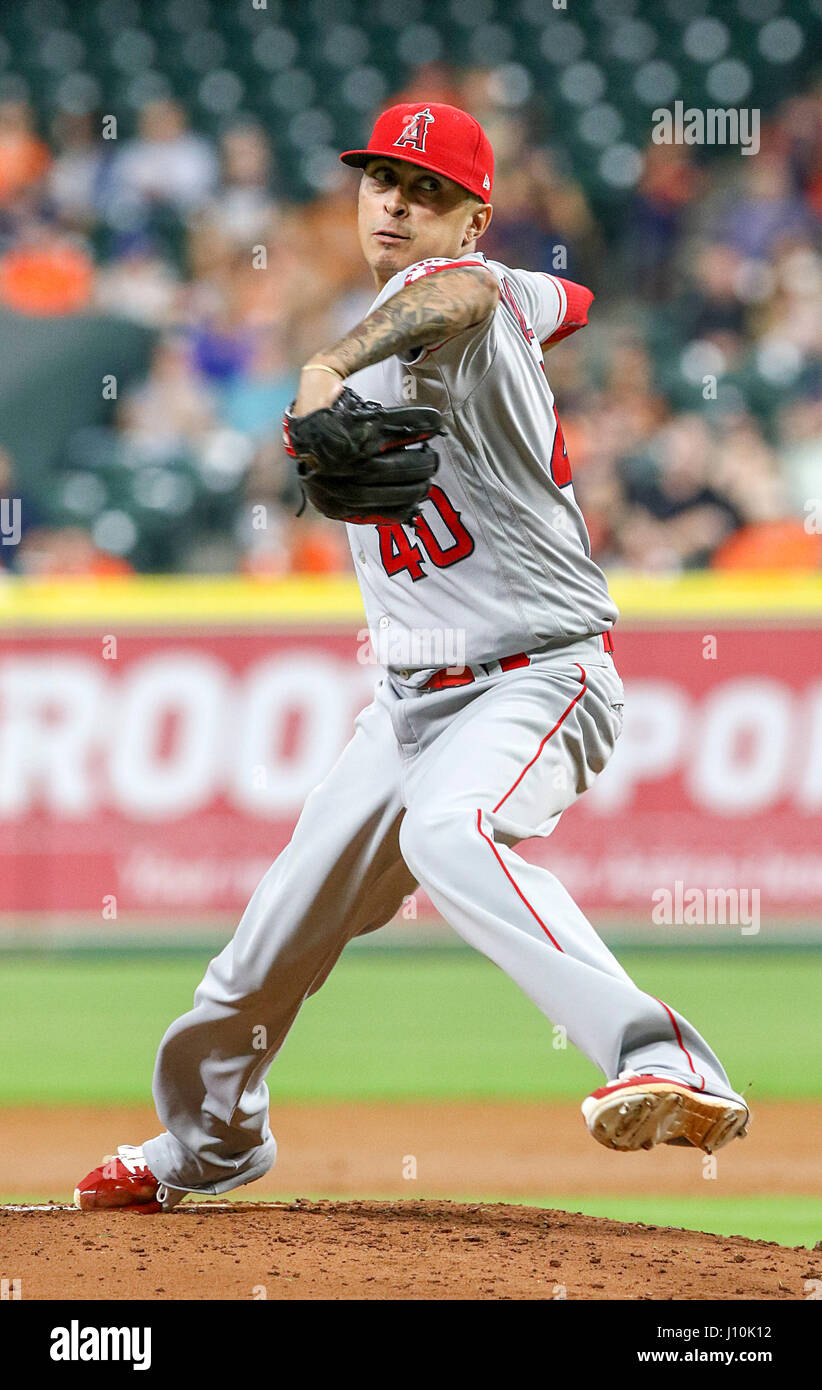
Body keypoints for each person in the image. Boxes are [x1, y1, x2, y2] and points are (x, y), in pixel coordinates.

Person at [75, 103, 749, 1213]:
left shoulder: (457, 301)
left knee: (453, 829)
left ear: (473, 218)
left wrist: (323, 366)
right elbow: (563, 296)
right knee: (264, 947)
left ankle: (664, 1056)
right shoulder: (497, 297)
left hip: (539, 673)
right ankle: (212, 1140)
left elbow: (474, 293)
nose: (393, 200)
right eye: (381, 178)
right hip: (403, 708)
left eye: (426, 188)